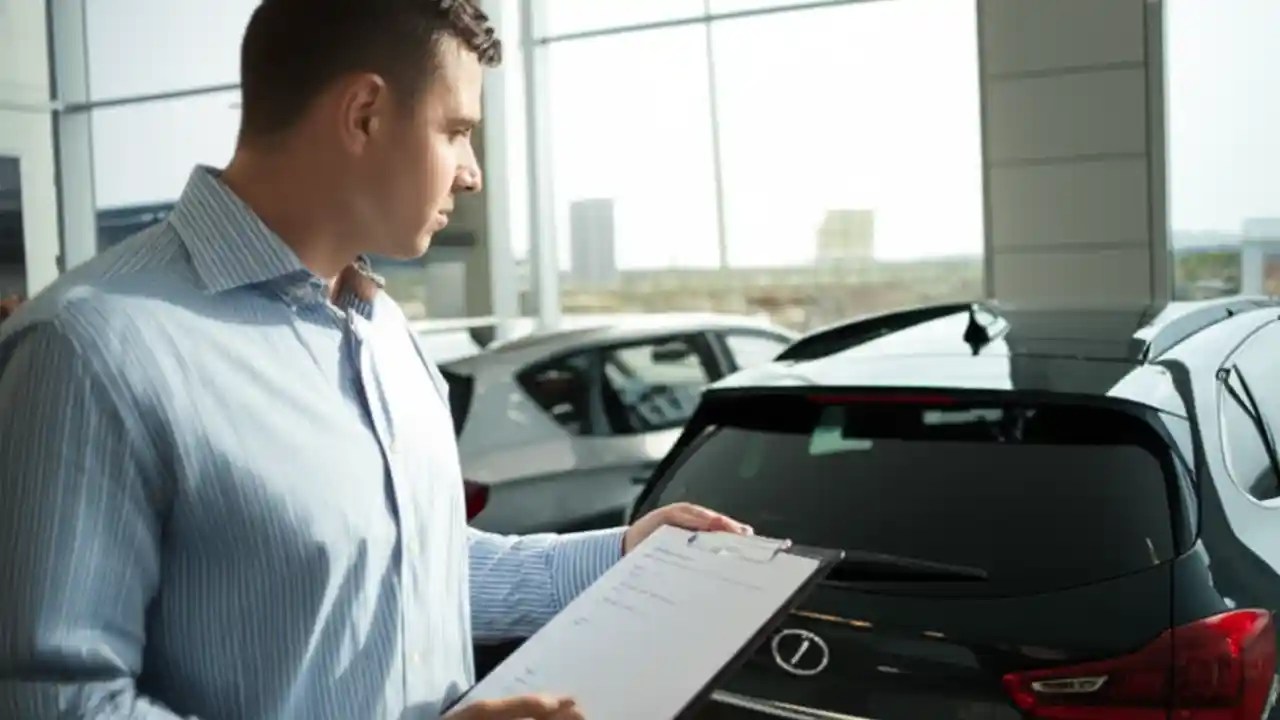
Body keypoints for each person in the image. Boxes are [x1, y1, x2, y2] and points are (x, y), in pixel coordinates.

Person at [0, 1, 749, 718]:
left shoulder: (383, 330)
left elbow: (413, 566)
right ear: (365, 114)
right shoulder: (88, 350)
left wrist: (621, 556)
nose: (471, 171)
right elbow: (53, 701)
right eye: (456, 130)